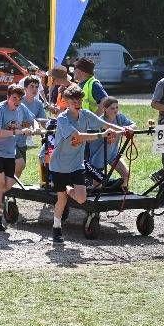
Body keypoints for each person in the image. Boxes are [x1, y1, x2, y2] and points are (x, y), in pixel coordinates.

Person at [47, 85, 107, 245]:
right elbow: (78, 136)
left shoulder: (85, 114)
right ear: (66, 101)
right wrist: (102, 135)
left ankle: (67, 189)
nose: (77, 102)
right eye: (74, 100)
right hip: (59, 166)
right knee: (61, 200)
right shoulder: (62, 119)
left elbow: (105, 123)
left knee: (81, 199)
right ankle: (56, 228)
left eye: (80, 99)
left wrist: (124, 129)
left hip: (76, 164)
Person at [0, 84, 33, 232]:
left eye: (19, 98)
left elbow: (31, 119)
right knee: (0, 183)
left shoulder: (21, 109)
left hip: (9, 152)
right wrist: (17, 132)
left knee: (7, 185)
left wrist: (33, 128)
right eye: (14, 98)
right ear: (8, 97)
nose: (17, 101)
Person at [88, 96, 135, 186]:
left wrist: (129, 127)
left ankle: (122, 194)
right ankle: (98, 199)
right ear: (105, 109)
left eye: (117, 107)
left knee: (126, 174)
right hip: (99, 155)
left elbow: (133, 124)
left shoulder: (119, 118)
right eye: (112, 108)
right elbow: (89, 138)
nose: (115, 110)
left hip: (113, 154)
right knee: (97, 183)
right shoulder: (100, 121)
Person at [15, 75, 47, 176]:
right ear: (25, 88)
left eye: (37, 87)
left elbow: (43, 122)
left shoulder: (38, 104)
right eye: (32, 86)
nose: (34, 89)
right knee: (19, 164)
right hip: (10, 139)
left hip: (22, 141)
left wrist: (55, 128)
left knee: (20, 167)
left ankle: (9, 189)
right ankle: (5, 188)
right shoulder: (18, 101)